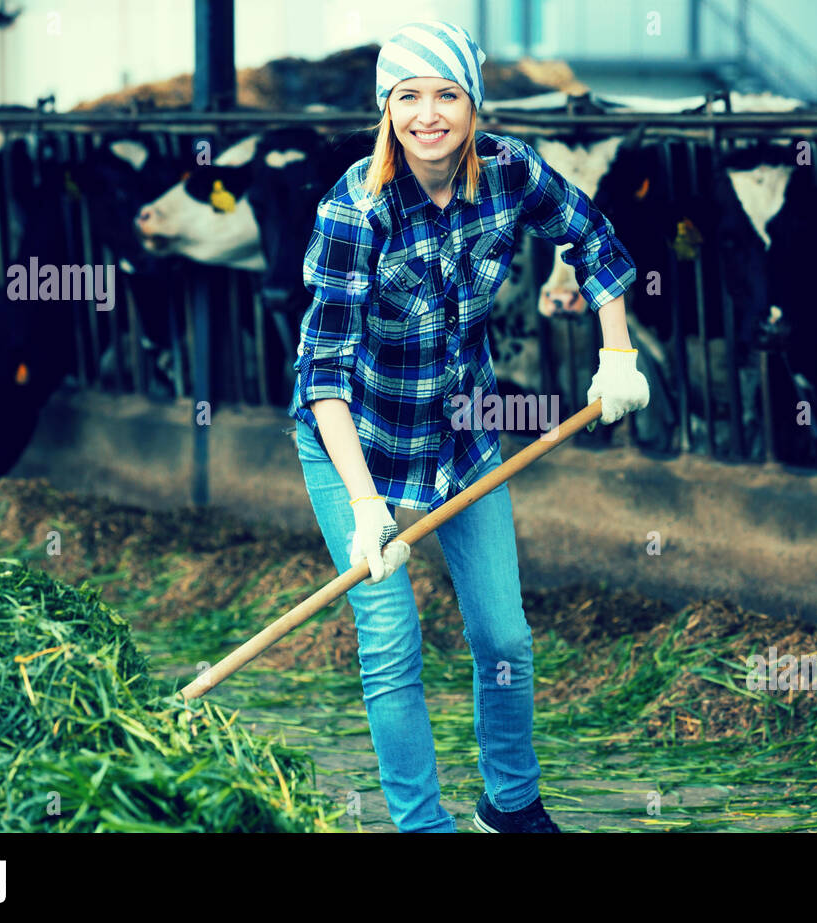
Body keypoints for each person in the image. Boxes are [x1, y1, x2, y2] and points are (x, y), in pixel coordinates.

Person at [288, 19, 650, 833]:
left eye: (447, 93)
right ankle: (422, 825)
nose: (429, 114)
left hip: (462, 432)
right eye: (408, 96)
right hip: (358, 444)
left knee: (506, 638)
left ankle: (510, 805)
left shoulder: (511, 170)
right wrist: (365, 507)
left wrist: (617, 351)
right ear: (386, 108)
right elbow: (324, 371)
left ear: (473, 104)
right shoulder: (356, 208)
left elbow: (592, 238)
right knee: (390, 642)